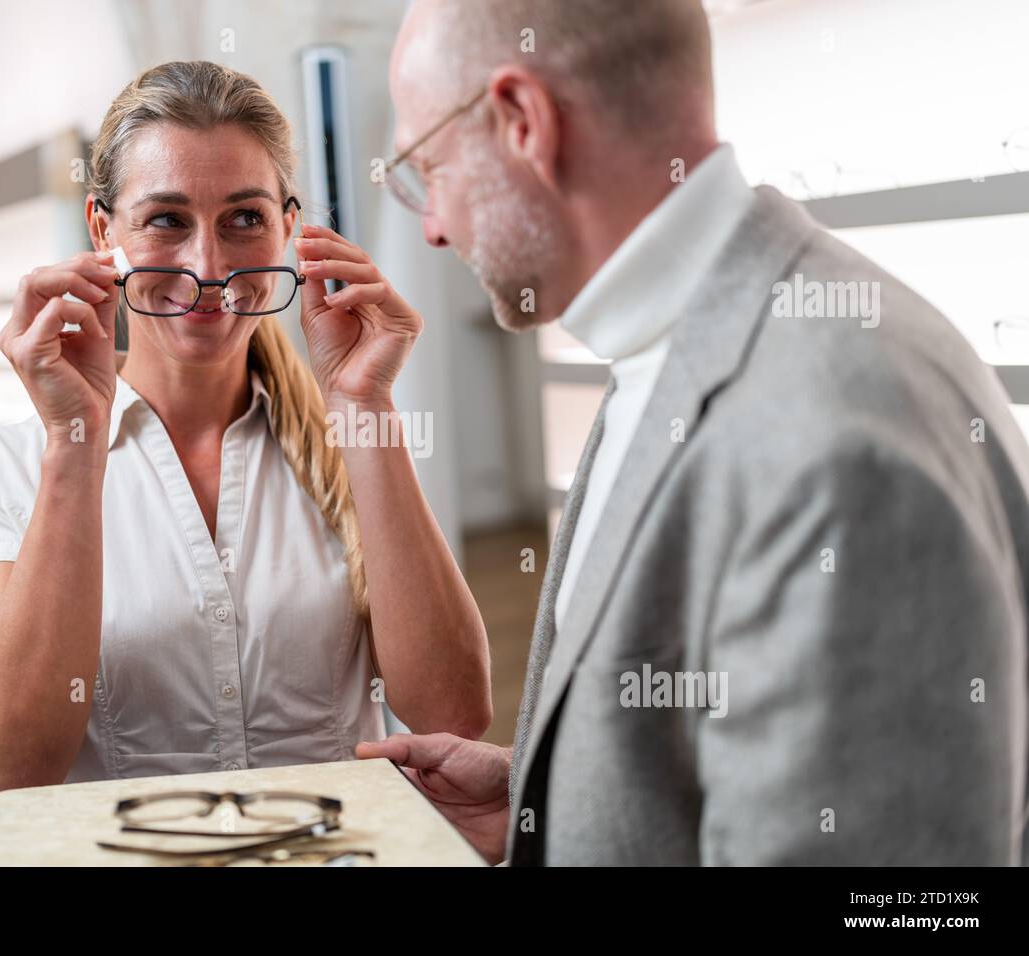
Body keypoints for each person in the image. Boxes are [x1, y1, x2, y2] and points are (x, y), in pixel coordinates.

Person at [360, 0, 1029, 865]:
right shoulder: (680, 337)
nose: (434, 226)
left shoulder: (829, 446)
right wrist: (545, 800)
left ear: (524, 121)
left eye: (426, 169)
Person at [0, 60, 491, 812]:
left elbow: (453, 713)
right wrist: (75, 440)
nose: (209, 266)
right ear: (105, 231)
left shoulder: (350, 439)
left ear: (289, 228)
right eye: (167, 219)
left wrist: (366, 403)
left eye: (244, 218)